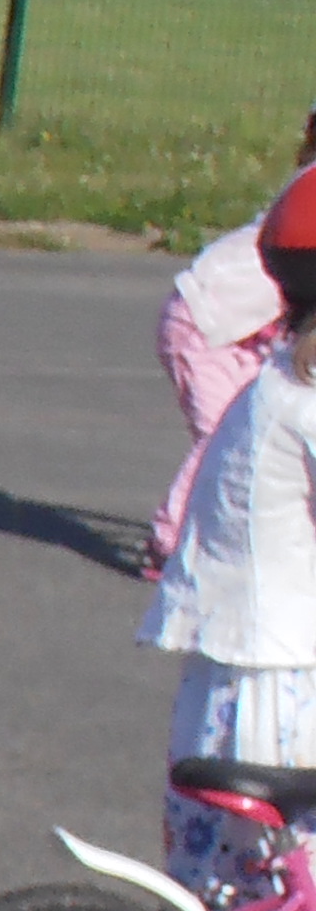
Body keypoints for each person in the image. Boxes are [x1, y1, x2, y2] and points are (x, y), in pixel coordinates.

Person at [143, 163, 316, 911]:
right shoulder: (304, 407)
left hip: (246, 678)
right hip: (280, 693)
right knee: (271, 902)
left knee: (227, 906)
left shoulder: (278, 381)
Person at [142, 106, 316, 582]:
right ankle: (168, 541)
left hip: (242, 333)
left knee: (252, 425)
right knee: (223, 434)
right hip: (203, 325)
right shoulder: (302, 203)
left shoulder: (301, 193)